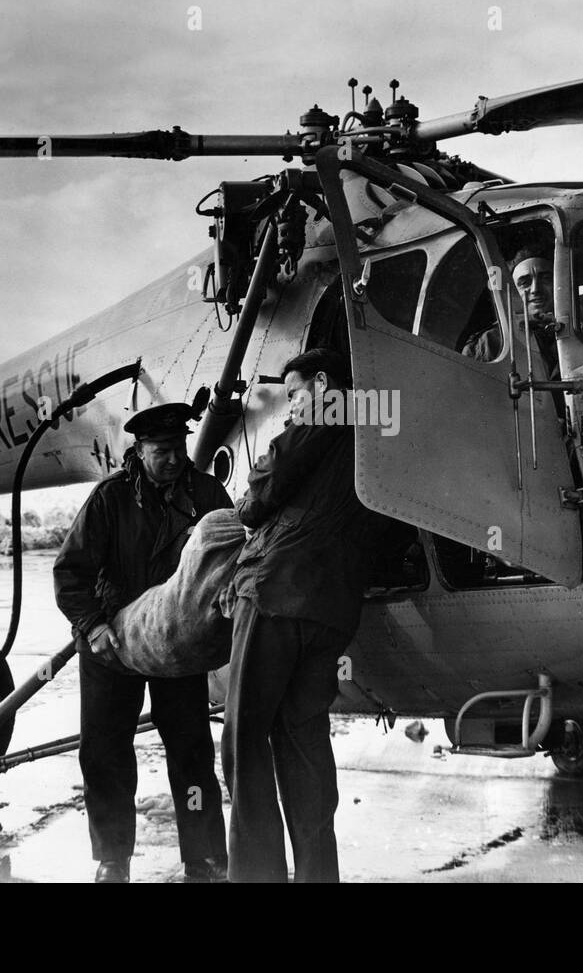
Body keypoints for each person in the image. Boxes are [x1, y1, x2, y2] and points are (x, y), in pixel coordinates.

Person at [53, 402, 230, 883]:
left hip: (178, 645)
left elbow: (232, 553)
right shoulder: (110, 499)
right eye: (162, 451)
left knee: (192, 751)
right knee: (105, 754)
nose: (173, 459)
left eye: (179, 448)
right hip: (112, 644)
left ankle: (204, 856)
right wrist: (93, 626)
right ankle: (113, 860)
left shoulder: (206, 493)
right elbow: (70, 574)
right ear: (140, 450)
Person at [222, 348, 379, 882]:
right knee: (304, 743)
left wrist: (249, 505)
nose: (291, 407)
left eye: (294, 395)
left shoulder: (329, 408)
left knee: (245, 740)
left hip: (275, 594)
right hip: (333, 610)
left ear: (322, 382)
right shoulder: (379, 427)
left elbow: (263, 489)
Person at [461, 243, 560, 377]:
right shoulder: (490, 342)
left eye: (546, 279)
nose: (535, 289)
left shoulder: (580, 330)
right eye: (524, 283)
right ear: (513, 293)